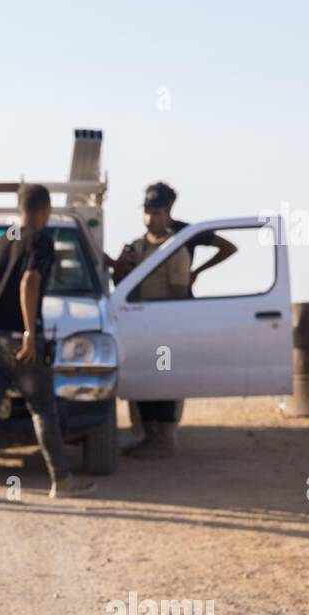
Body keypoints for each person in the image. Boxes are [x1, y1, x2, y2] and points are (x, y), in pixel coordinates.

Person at [0, 184, 96, 500]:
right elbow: (29, 281)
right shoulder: (40, 241)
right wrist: (30, 332)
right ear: (45, 210)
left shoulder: (0, 242)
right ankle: (62, 481)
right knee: (43, 409)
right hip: (21, 342)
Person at [111, 182, 237, 457]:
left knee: (165, 380)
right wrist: (120, 266)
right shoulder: (138, 245)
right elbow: (122, 283)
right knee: (144, 380)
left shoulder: (178, 243)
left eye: (156, 212)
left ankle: (164, 439)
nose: (150, 218)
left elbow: (178, 291)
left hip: (167, 325)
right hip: (140, 326)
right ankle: (150, 437)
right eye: (147, 211)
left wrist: (197, 272)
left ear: (168, 210)